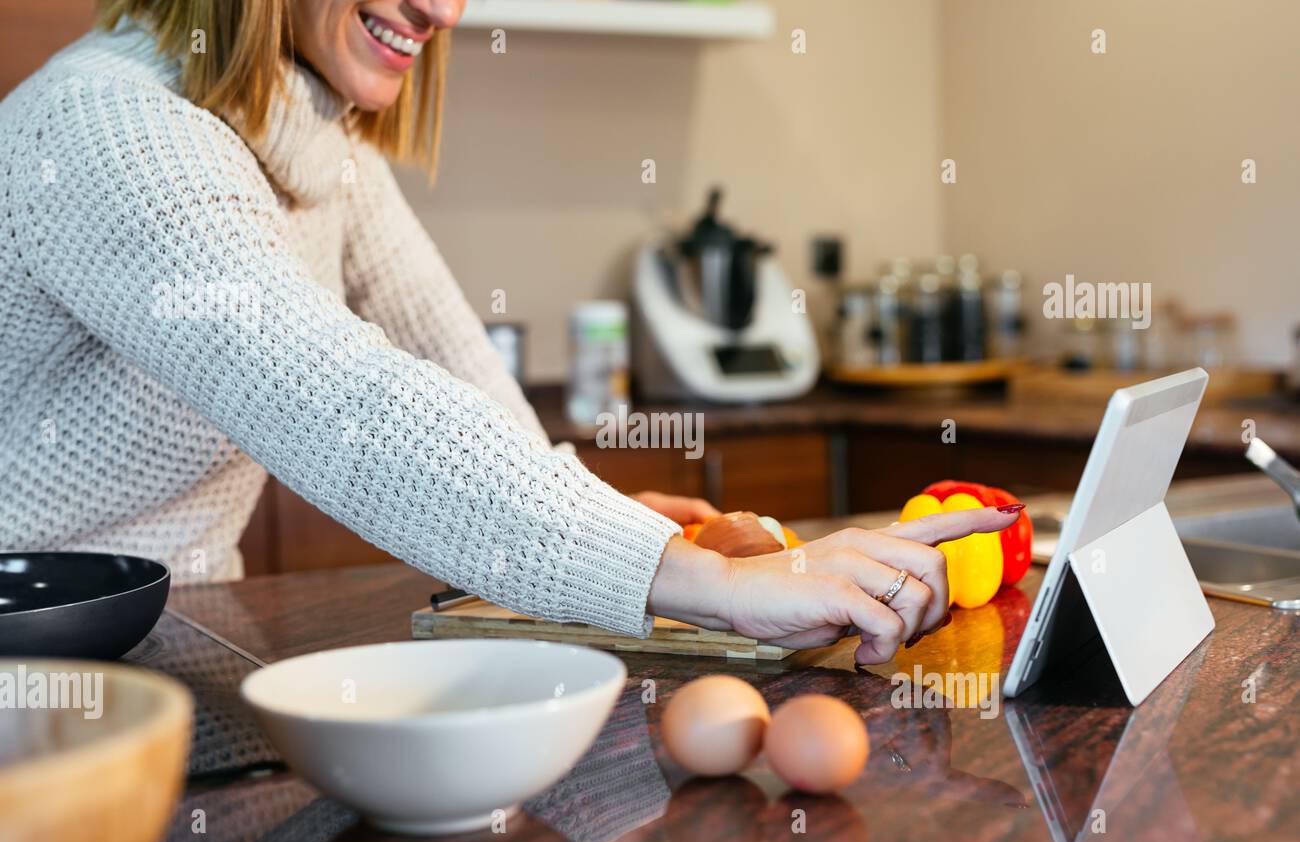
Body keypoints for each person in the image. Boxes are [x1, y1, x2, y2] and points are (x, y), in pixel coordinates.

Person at [0, 0, 1019, 665]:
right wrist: (701, 582)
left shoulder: (317, 140)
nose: (444, 10)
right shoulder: (107, 130)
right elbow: (344, 406)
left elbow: (461, 377)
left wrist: (597, 520)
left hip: (168, 655)